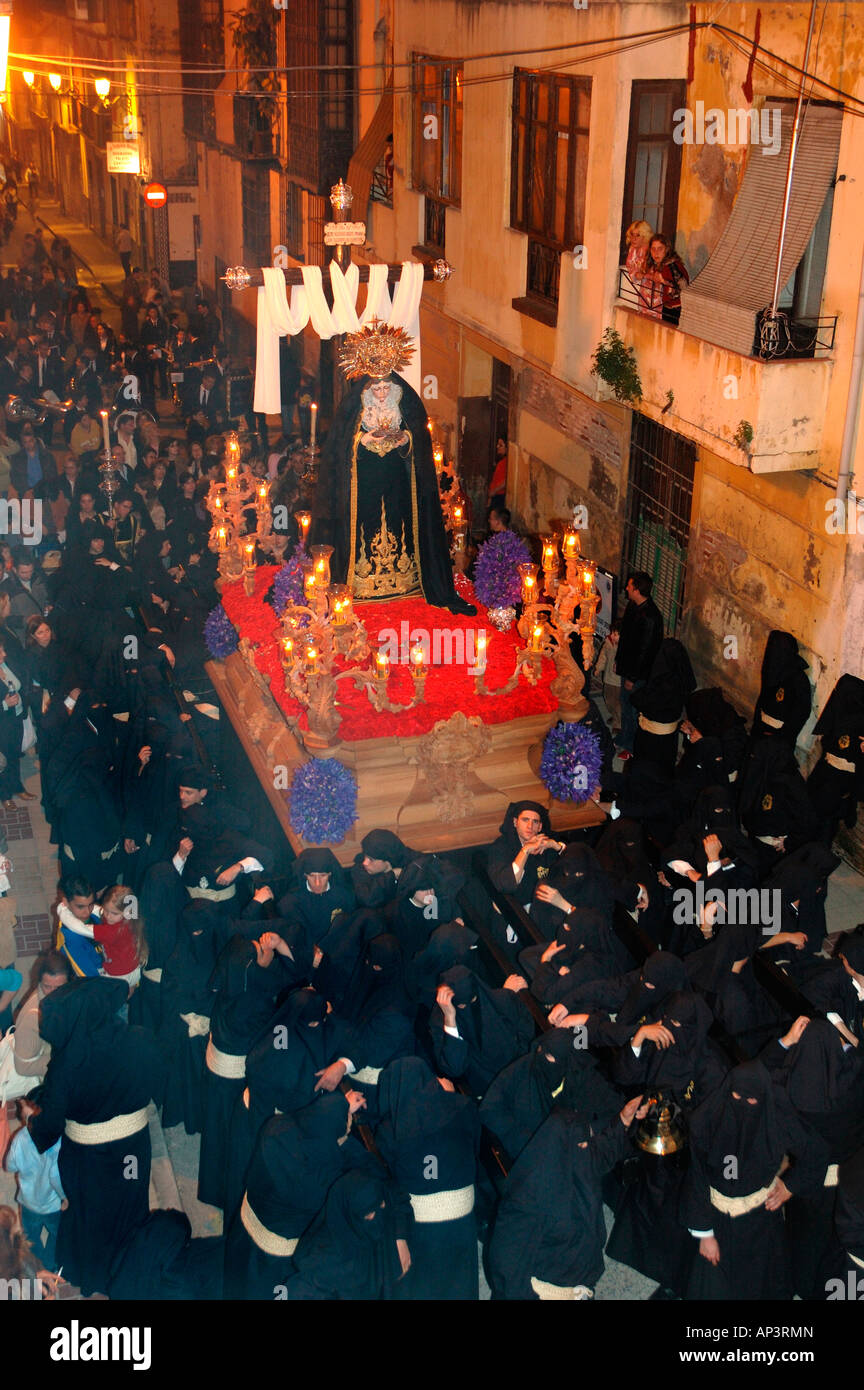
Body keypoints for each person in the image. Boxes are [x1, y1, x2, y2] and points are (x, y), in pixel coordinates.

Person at [312, 322, 475, 616]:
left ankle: (405, 578)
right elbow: (339, 445)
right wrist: (362, 439)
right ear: (368, 386)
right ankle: (361, 581)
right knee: (366, 527)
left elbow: (420, 441)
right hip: (363, 484)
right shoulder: (354, 407)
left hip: (399, 482)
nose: (383, 393)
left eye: (387, 386)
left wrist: (405, 438)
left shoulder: (407, 402)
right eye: (378, 387)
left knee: (401, 523)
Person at [28, 977, 165, 1297]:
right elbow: (158, 1078)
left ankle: (96, 1277)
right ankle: (130, 1269)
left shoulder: (66, 1065)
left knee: (93, 1216)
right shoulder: (141, 1038)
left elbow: (50, 1124)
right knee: (130, 1206)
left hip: (90, 1159)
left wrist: (33, 1124)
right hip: (133, 1149)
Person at [681, 1059, 829, 1300]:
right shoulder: (706, 1120)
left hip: (759, 1218)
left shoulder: (776, 1117)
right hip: (716, 1216)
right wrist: (704, 1234)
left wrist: (790, 1185)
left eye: (751, 1101)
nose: (744, 1105)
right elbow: (696, 1178)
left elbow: (816, 1151)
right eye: (737, 1096)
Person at [488, 1095, 648, 1299]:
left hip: (579, 1282)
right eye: (584, 1142)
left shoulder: (575, 1159)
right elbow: (505, 1266)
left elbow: (604, 1150)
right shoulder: (527, 1198)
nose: (588, 1146)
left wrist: (624, 1121)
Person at [375, 1057, 480, 1300]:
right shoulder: (463, 1107)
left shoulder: (390, 1128)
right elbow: (475, 1146)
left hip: (421, 1222)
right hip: (462, 1216)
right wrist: (450, 1099)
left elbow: (392, 1175)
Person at [431, 964, 534, 1096]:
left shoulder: (504, 1000)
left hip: (522, 1073)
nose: (468, 1008)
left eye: (473, 999)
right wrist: (450, 1020)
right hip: (490, 1090)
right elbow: (454, 1068)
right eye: (461, 1006)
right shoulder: (439, 1023)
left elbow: (527, 1033)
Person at [4, 1096, 65, 1271]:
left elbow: (9, 1165)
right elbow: (56, 1177)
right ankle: (51, 1262)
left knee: (31, 1236)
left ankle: (37, 1265)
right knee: (57, 1233)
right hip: (52, 1206)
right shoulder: (57, 1142)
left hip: (28, 1202)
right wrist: (64, 1198)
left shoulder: (20, 1138)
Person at [614, 571, 664, 757]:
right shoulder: (633, 606)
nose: (626, 588)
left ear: (636, 590)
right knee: (625, 705)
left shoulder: (651, 617)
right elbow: (627, 638)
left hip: (637, 674)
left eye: (629, 585)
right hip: (627, 667)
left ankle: (632, 746)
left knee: (633, 710)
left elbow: (645, 652)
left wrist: (632, 678)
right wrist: (618, 661)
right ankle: (625, 737)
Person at [485, 801, 564, 912]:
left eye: (535, 822)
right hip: (512, 912)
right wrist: (525, 850)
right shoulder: (501, 846)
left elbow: (573, 869)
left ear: (540, 827)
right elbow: (506, 885)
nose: (530, 826)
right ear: (515, 822)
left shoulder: (548, 845)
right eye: (525, 820)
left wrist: (556, 846)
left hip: (545, 908)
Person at [12, 950, 71, 1082]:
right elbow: (23, 1067)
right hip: (48, 1079)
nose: (52, 993)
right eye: (47, 986)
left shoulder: (67, 997)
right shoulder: (33, 1016)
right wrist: (67, 1056)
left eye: (58, 987)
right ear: (39, 981)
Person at [752, 629, 811, 748]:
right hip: (761, 731)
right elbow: (763, 697)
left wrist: (780, 737)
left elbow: (800, 714)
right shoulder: (772, 670)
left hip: (779, 739)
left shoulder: (799, 679)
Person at [640, 234, 690, 325]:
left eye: (660, 249)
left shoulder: (672, 265)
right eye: (653, 249)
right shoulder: (658, 265)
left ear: (666, 249)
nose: (656, 253)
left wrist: (663, 281)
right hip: (666, 308)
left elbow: (684, 287)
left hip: (677, 311)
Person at [623, 219, 653, 284]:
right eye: (632, 235)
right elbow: (630, 266)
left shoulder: (651, 251)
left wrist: (642, 275)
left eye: (638, 235)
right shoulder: (632, 249)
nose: (634, 238)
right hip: (642, 287)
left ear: (645, 236)